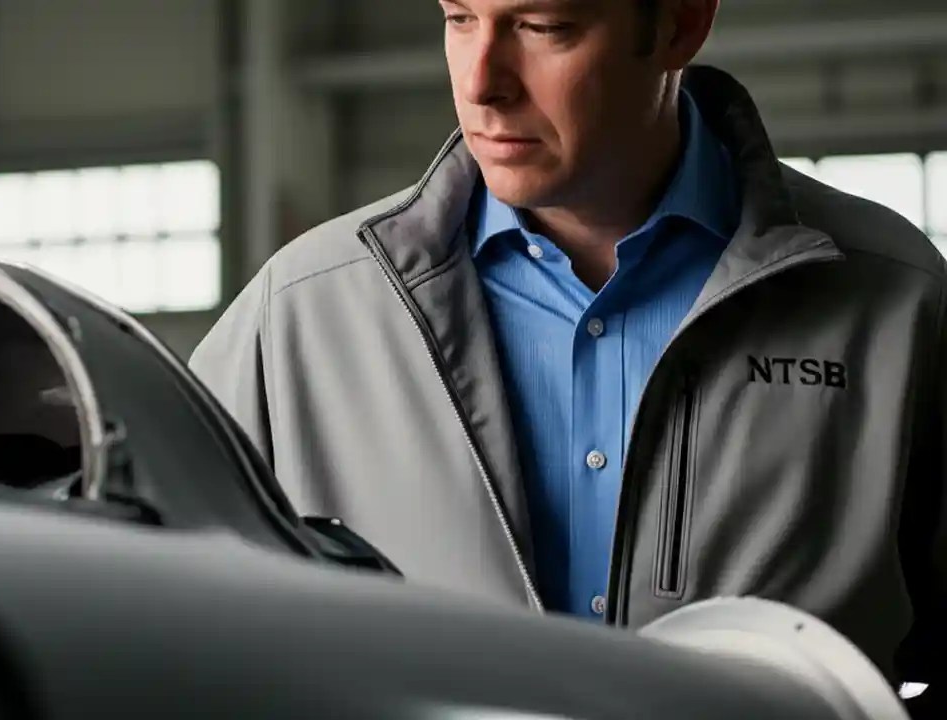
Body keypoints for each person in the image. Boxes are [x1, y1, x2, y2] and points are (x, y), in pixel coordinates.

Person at [190, 0, 943, 710]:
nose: (482, 84)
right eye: (460, 18)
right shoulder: (299, 315)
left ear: (681, 24)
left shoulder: (895, 301)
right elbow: (175, 633)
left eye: (543, 27)